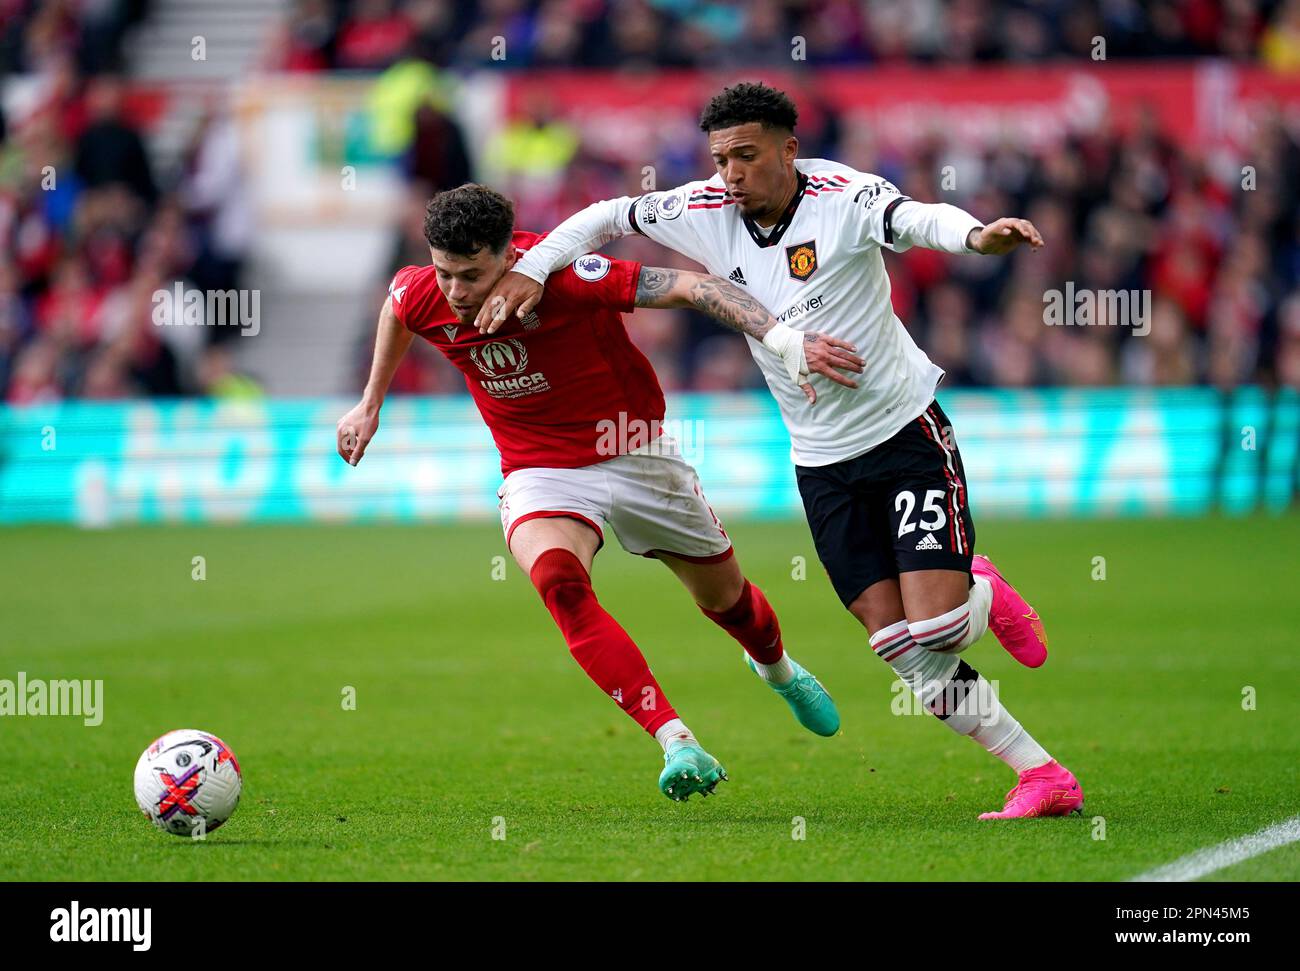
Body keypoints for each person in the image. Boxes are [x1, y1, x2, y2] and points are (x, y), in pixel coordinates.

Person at [476, 83, 1084, 820]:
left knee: (940, 627)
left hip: (903, 433)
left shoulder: (845, 195)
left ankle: (979, 588)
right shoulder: (703, 209)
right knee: (898, 645)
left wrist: (977, 237)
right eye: (720, 158)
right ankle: (1042, 774)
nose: (729, 174)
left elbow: (918, 219)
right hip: (821, 460)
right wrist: (534, 269)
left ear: (789, 150)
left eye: (746, 156)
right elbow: (607, 216)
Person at [338, 183, 862, 802]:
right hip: (539, 468)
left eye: (471, 274)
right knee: (560, 582)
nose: (454, 292)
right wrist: (370, 404)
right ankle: (677, 740)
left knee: (729, 603)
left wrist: (784, 339)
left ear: (511, 255)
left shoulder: (568, 278)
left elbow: (694, 287)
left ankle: (776, 669)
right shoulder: (424, 289)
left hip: (637, 452)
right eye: (444, 272)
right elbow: (398, 309)